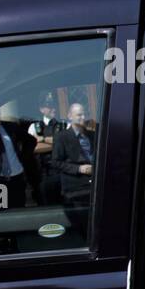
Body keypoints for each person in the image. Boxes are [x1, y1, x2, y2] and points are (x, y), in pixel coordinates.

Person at [52, 102, 97, 237]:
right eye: (79, 115)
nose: (82, 117)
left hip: (94, 185)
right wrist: (79, 169)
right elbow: (55, 162)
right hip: (76, 188)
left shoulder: (92, 135)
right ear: (70, 116)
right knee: (84, 226)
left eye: (84, 114)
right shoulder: (62, 137)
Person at [28, 90, 61, 204]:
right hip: (43, 174)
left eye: (54, 105)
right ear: (41, 109)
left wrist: (42, 139)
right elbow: (33, 148)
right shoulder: (34, 126)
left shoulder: (64, 124)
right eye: (49, 106)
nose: (53, 108)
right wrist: (55, 143)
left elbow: (64, 144)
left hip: (61, 172)